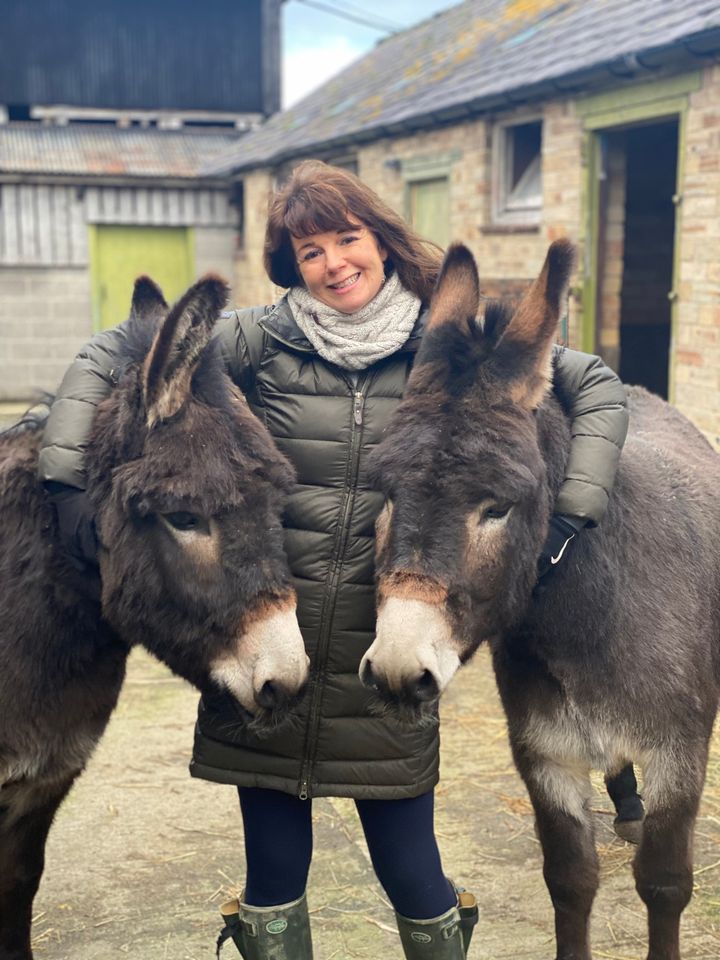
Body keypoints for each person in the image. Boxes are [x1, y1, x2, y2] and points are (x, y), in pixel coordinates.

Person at [39, 160, 634, 959]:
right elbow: (115, 353)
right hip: (264, 649)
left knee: (414, 873)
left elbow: (597, 387)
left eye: (347, 239)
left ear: (382, 241)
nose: (333, 263)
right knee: (272, 878)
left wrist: (572, 513)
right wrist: (63, 482)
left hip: (381, 655)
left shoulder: (444, 348)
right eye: (309, 251)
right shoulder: (258, 338)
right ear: (291, 264)